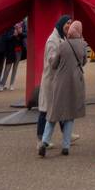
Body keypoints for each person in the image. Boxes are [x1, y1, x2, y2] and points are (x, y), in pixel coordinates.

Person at [38, 20, 87, 157]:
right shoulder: (82, 45)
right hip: (76, 83)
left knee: (53, 113)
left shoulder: (63, 45)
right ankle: (66, 146)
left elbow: (53, 64)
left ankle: (44, 141)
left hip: (60, 83)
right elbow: (83, 61)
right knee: (70, 115)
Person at [36, 13, 72, 145]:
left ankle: (66, 133)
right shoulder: (53, 40)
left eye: (70, 23)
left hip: (57, 80)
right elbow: (52, 61)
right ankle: (40, 138)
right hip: (51, 80)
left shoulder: (62, 38)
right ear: (61, 24)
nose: (68, 25)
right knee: (45, 110)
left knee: (59, 108)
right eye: (67, 23)